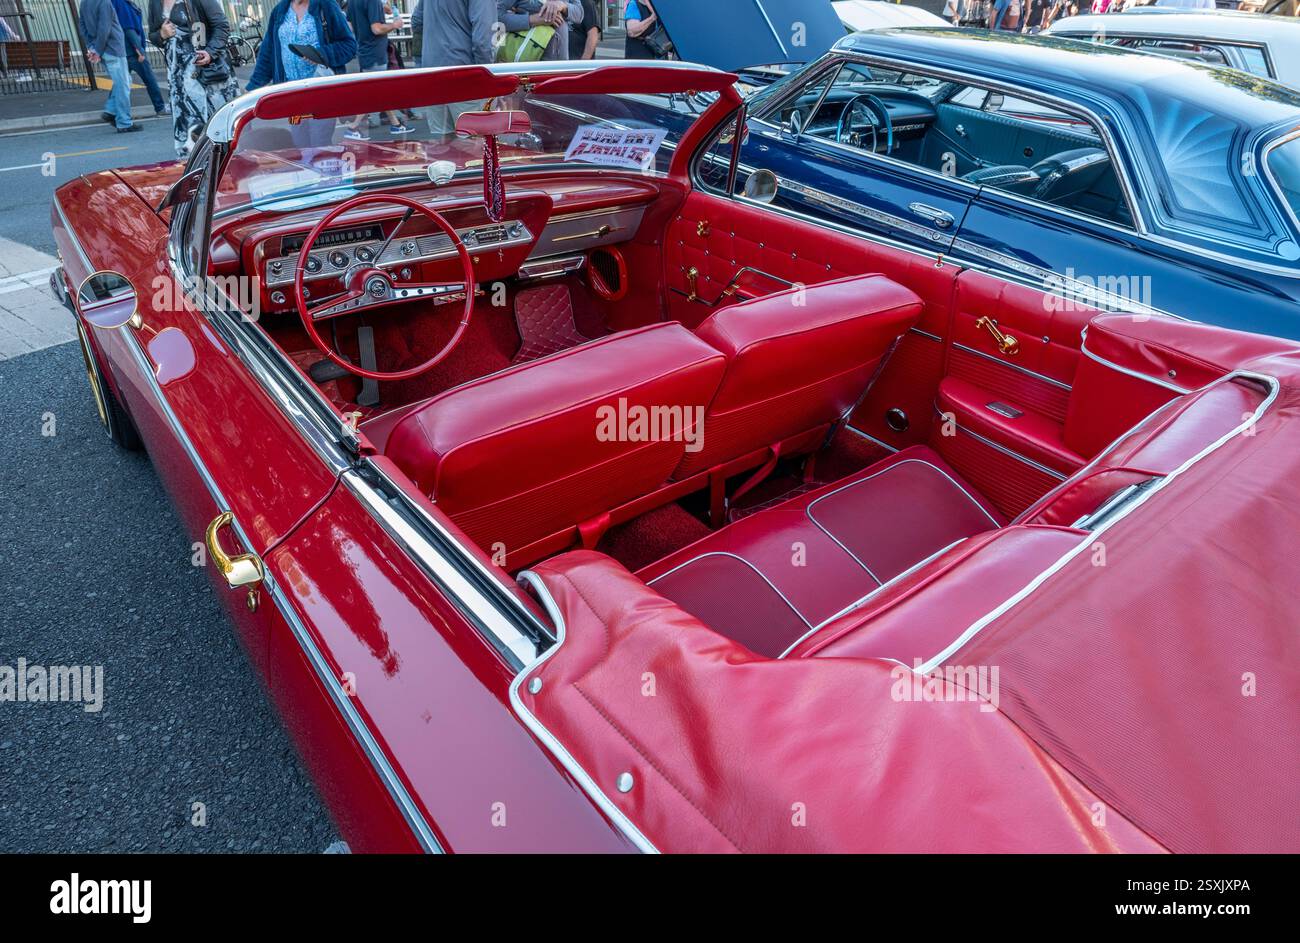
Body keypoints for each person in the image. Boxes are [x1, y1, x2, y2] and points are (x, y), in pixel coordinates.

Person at [148, 0, 239, 155]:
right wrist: (161, 35)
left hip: (207, 75)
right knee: (189, 142)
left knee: (220, 133)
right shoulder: (155, 2)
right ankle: (196, 175)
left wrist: (210, 52)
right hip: (179, 81)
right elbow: (153, 35)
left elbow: (222, 26)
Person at [346, 0, 409, 137]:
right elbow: (377, 29)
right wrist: (395, 24)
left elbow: (349, 26)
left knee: (378, 90)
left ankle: (395, 124)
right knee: (372, 92)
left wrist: (381, 8)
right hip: (375, 51)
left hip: (363, 50)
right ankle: (354, 127)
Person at [79, 0, 139, 132]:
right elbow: (104, 28)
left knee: (124, 81)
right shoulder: (104, 2)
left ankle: (111, 110)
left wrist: (92, 47)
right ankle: (124, 122)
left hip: (101, 48)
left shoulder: (84, 3)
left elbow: (82, 26)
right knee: (123, 86)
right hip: (113, 49)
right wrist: (97, 51)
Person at [111, 0, 167, 115]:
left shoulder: (116, 2)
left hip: (122, 50)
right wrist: (140, 50)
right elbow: (128, 29)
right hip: (132, 51)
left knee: (120, 83)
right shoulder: (122, 3)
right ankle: (160, 107)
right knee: (149, 79)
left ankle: (110, 110)